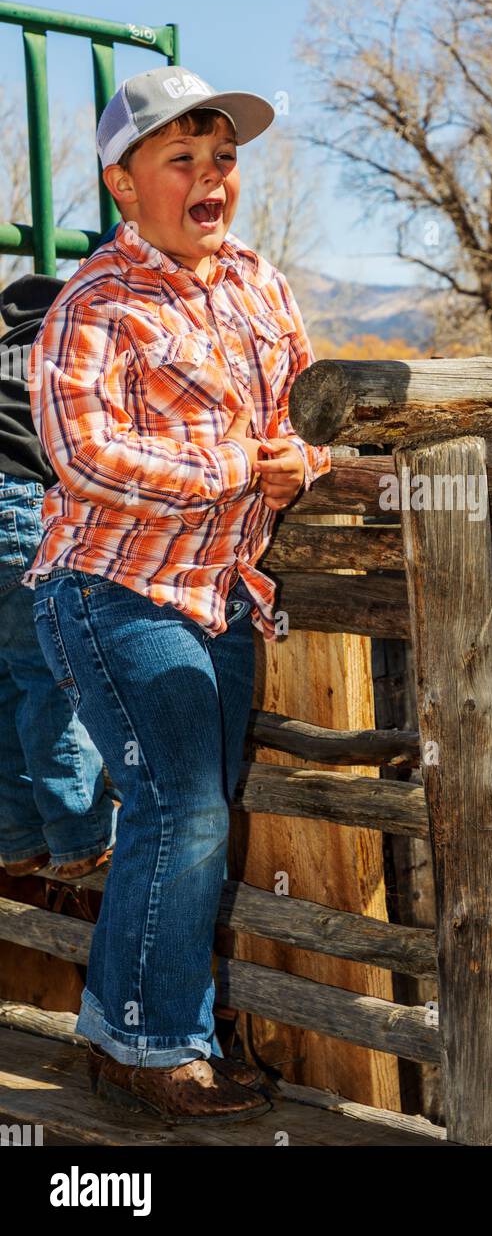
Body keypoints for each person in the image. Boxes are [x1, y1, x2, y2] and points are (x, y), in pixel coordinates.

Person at [21, 64, 331, 1122]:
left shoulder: (258, 282)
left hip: (222, 592)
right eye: (181, 159)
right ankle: (150, 1045)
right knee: (179, 804)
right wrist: (242, 469)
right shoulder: (93, 304)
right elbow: (84, 456)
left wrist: (314, 464)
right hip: (113, 587)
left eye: (224, 158)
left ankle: (149, 1029)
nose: (211, 178)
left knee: (191, 808)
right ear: (122, 184)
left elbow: (301, 417)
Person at [0, 275, 116, 878]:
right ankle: (78, 834)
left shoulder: (5, 361)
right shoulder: (65, 354)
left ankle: (18, 837)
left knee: (4, 680)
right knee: (48, 674)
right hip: (16, 506)